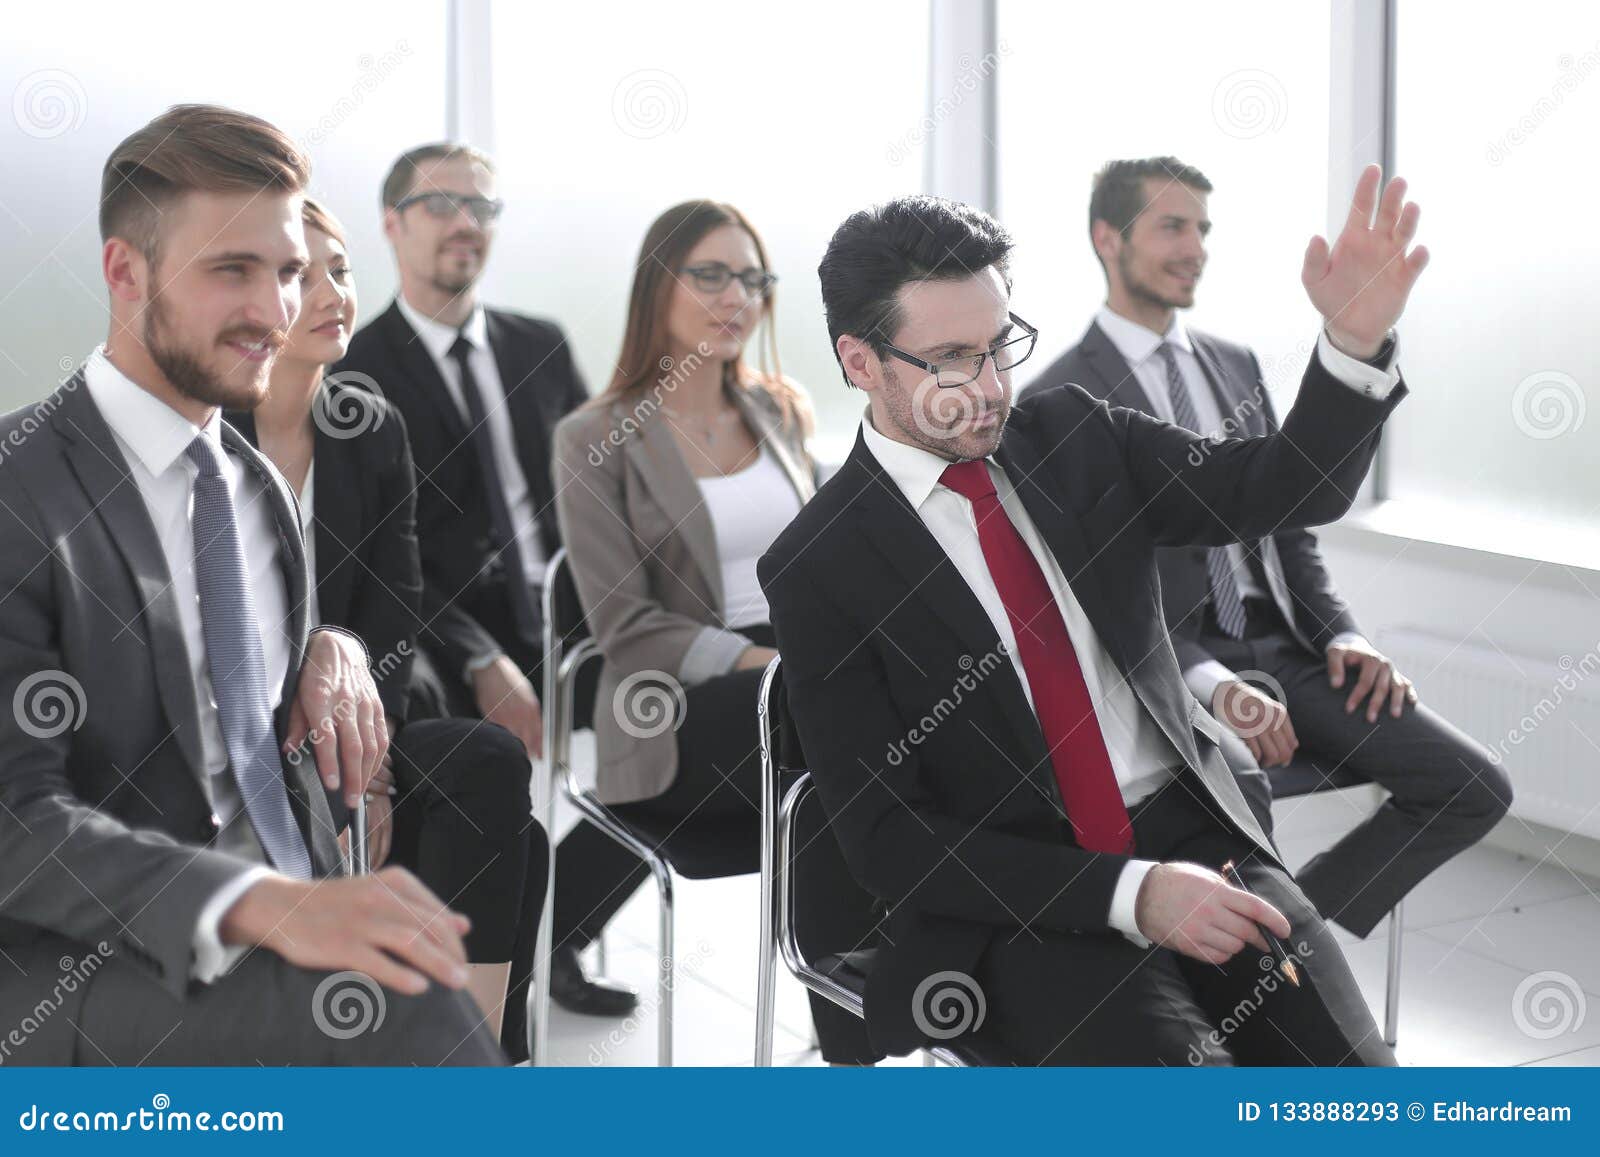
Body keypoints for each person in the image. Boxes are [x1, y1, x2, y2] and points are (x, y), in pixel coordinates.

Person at [758, 167, 1427, 1065]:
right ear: (860, 363)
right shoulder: (820, 563)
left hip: (1191, 835)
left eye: (1001, 345)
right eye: (953, 359)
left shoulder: (1075, 436)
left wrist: (1352, 341)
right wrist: (1131, 894)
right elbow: (888, 840)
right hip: (1016, 902)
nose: (991, 385)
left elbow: (1282, 486)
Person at [0, 104, 500, 1065]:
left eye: (289, 273)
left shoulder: (254, 487)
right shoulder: (19, 490)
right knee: (411, 1006)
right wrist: (256, 903)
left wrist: (330, 645)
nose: (276, 311)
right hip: (86, 968)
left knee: (423, 953)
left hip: (277, 923)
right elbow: (14, 824)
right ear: (125, 273)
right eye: (233, 269)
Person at [1020, 157, 1511, 938]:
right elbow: (1084, 590)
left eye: (1204, 228)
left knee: (1472, 784)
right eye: (1172, 226)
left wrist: (1343, 634)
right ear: (1105, 238)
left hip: (1286, 647)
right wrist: (1210, 684)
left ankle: (1297, 932)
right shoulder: (1055, 398)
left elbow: (1288, 522)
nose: (1196, 247)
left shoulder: (1235, 363)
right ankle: (1259, 957)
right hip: (1165, 669)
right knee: (1231, 806)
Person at [551, 200, 880, 1064]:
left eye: (753, 279)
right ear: (659, 286)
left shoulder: (782, 412)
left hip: (792, 674)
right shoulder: (593, 437)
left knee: (858, 711)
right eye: (711, 274)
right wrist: (762, 657)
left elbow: (829, 557)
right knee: (820, 718)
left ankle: (892, 981)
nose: (737, 296)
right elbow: (622, 623)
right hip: (673, 691)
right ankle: (855, 1030)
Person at [332, 142, 637, 1048]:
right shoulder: (354, 364)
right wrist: (476, 653)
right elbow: (383, 557)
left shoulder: (536, 342)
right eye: (443, 204)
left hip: (570, 605)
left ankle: (563, 922)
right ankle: (495, 975)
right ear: (392, 223)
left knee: (699, 717)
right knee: (482, 768)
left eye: (484, 207)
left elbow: (600, 490)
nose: (468, 222)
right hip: (447, 625)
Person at [229, 196, 547, 1045]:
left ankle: (465, 1064)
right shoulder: (206, 431)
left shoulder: (367, 425)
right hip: (241, 732)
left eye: (340, 269)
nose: (334, 291)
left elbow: (390, 616)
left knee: (486, 763)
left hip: (355, 725)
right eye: (304, 274)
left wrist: (370, 770)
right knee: (519, 843)